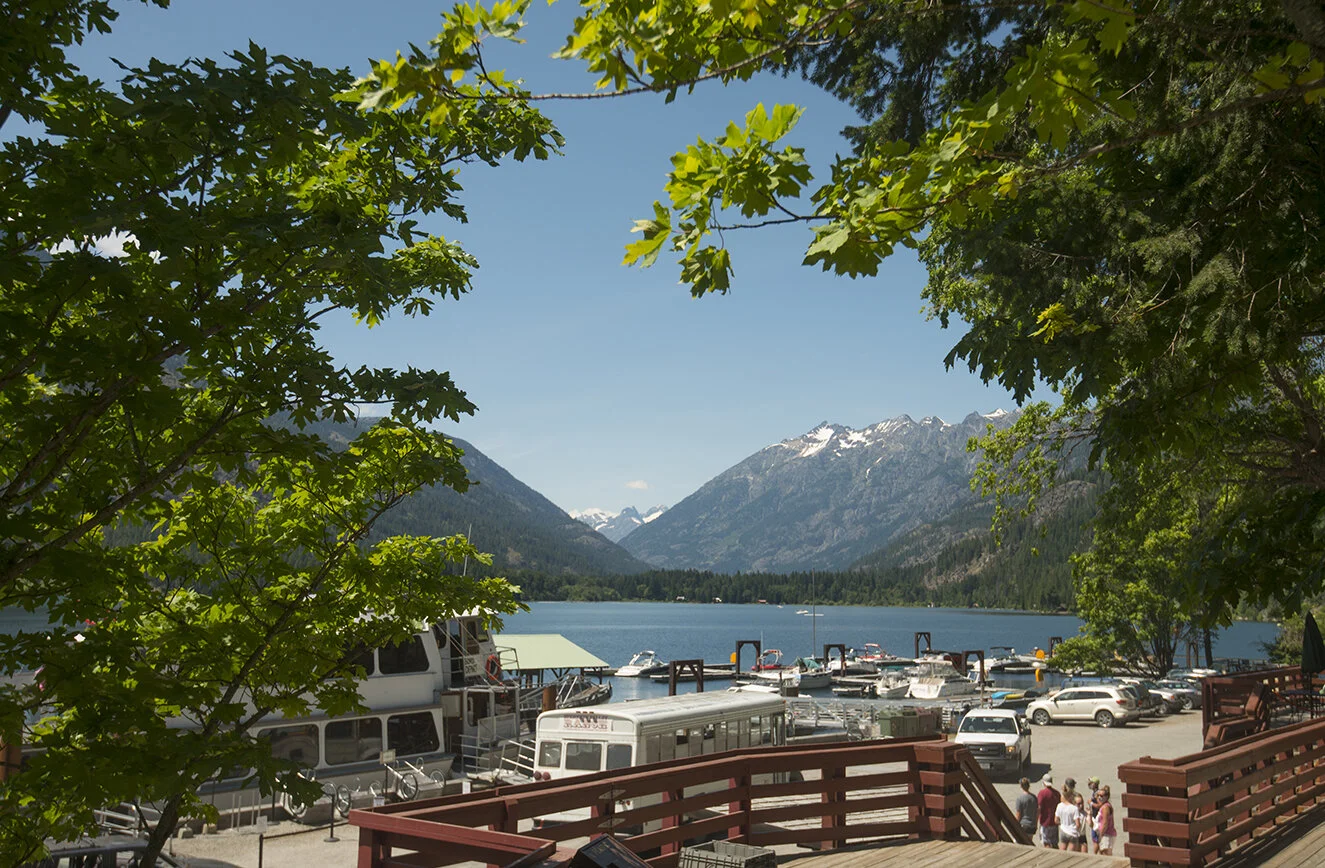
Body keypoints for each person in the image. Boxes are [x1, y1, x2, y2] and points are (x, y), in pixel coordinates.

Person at [1036, 774, 1060, 848]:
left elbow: (1039, 808)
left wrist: (1036, 820)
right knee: (1055, 843)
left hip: (1045, 822)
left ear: (1043, 782)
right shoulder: (1057, 793)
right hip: (1054, 822)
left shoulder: (1042, 793)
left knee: (1046, 843)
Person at [1055, 787, 1081, 852]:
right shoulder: (1074, 808)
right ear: (1070, 796)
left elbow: (1056, 820)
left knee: (1062, 851)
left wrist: (1062, 824)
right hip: (1072, 832)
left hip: (1064, 831)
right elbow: (1077, 824)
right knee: (1072, 853)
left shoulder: (1059, 806)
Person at [1095, 785, 1117, 855]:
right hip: (1106, 834)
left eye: (1101, 796)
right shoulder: (1105, 805)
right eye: (1098, 795)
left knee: (1106, 855)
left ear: (1106, 797)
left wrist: (1100, 836)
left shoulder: (1105, 807)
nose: (1099, 797)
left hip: (1106, 834)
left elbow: (1105, 823)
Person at [1087, 776, 1103, 852]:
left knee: (1096, 839)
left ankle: (1095, 854)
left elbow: (1099, 805)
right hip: (1094, 817)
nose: (1089, 784)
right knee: (1095, 838)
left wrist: (1091, 803)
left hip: (1097, 818)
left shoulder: (1098, 794)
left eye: (1091, 783)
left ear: (1095, 784)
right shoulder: (1094, 793)